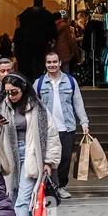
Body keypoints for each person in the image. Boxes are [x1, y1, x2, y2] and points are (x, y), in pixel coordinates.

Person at [0, 73, 61, 216]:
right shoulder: (1, 108)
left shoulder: (38, 108)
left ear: (23, 89)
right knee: (13, 198)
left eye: (14, 92)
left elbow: (52, 135)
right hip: (9, 158)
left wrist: (49, 162)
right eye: (7, 93)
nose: (10, 96)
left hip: (32, 156)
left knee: (22, 200)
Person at [35, 51, 89, 200]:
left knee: (65, 159)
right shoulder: (39, 83)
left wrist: (84, 122)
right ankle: (52, 187)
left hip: (67, 127)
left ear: (60, 63)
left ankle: (62, 186)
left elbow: (78, 103)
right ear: (45, 64)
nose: (52, 65)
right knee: (50, 160)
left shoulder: (70, 81)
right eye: (49, 62)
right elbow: (32, 105)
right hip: (47, 129)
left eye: (54, 62)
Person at [15, 0, 56, 82]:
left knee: (28, 63)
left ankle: (29, 81)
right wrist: (51, 39)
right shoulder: (46, 15)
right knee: (39, 63)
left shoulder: (27, 14)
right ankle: (38, 80)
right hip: (41, 43)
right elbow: (52, 30)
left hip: (27, 44)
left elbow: (20, 23)